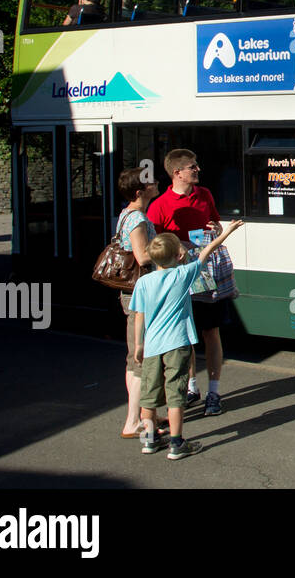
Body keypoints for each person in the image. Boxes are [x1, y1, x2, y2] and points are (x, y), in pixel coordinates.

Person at [131, 221, 243, 460]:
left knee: (149, 396)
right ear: (179, 254)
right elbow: (206, 251)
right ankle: (177, 443)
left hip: (151, 347)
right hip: (177, 344)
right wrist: (228, 231)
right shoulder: (183, 275)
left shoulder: (143, 283)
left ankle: (149, 441)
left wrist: (139, 344)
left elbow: (139, 317)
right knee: (176, 395)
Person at [148, 149, 226, 415]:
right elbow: (154, 248)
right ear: (177, 172)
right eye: (193, 167)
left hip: (206, 276)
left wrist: (217, 230)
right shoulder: (159, 205)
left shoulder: (204, 195)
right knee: (186, 337)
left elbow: (216, 224)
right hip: (178, 280)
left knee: (211, 332)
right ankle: (192, 387)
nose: (198, 170)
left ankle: (214, 392)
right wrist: (177, 245)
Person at [113, 167, 164, 440]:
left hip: (137, 294)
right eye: (150, 181)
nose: (155, 182)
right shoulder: (136, 218)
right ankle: (133, 421)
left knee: (138, 356)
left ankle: (148, 414)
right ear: (139, 192)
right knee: (138, 358)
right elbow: (143, 257)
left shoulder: (130, 215)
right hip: (138, 295)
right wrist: (167, 249)